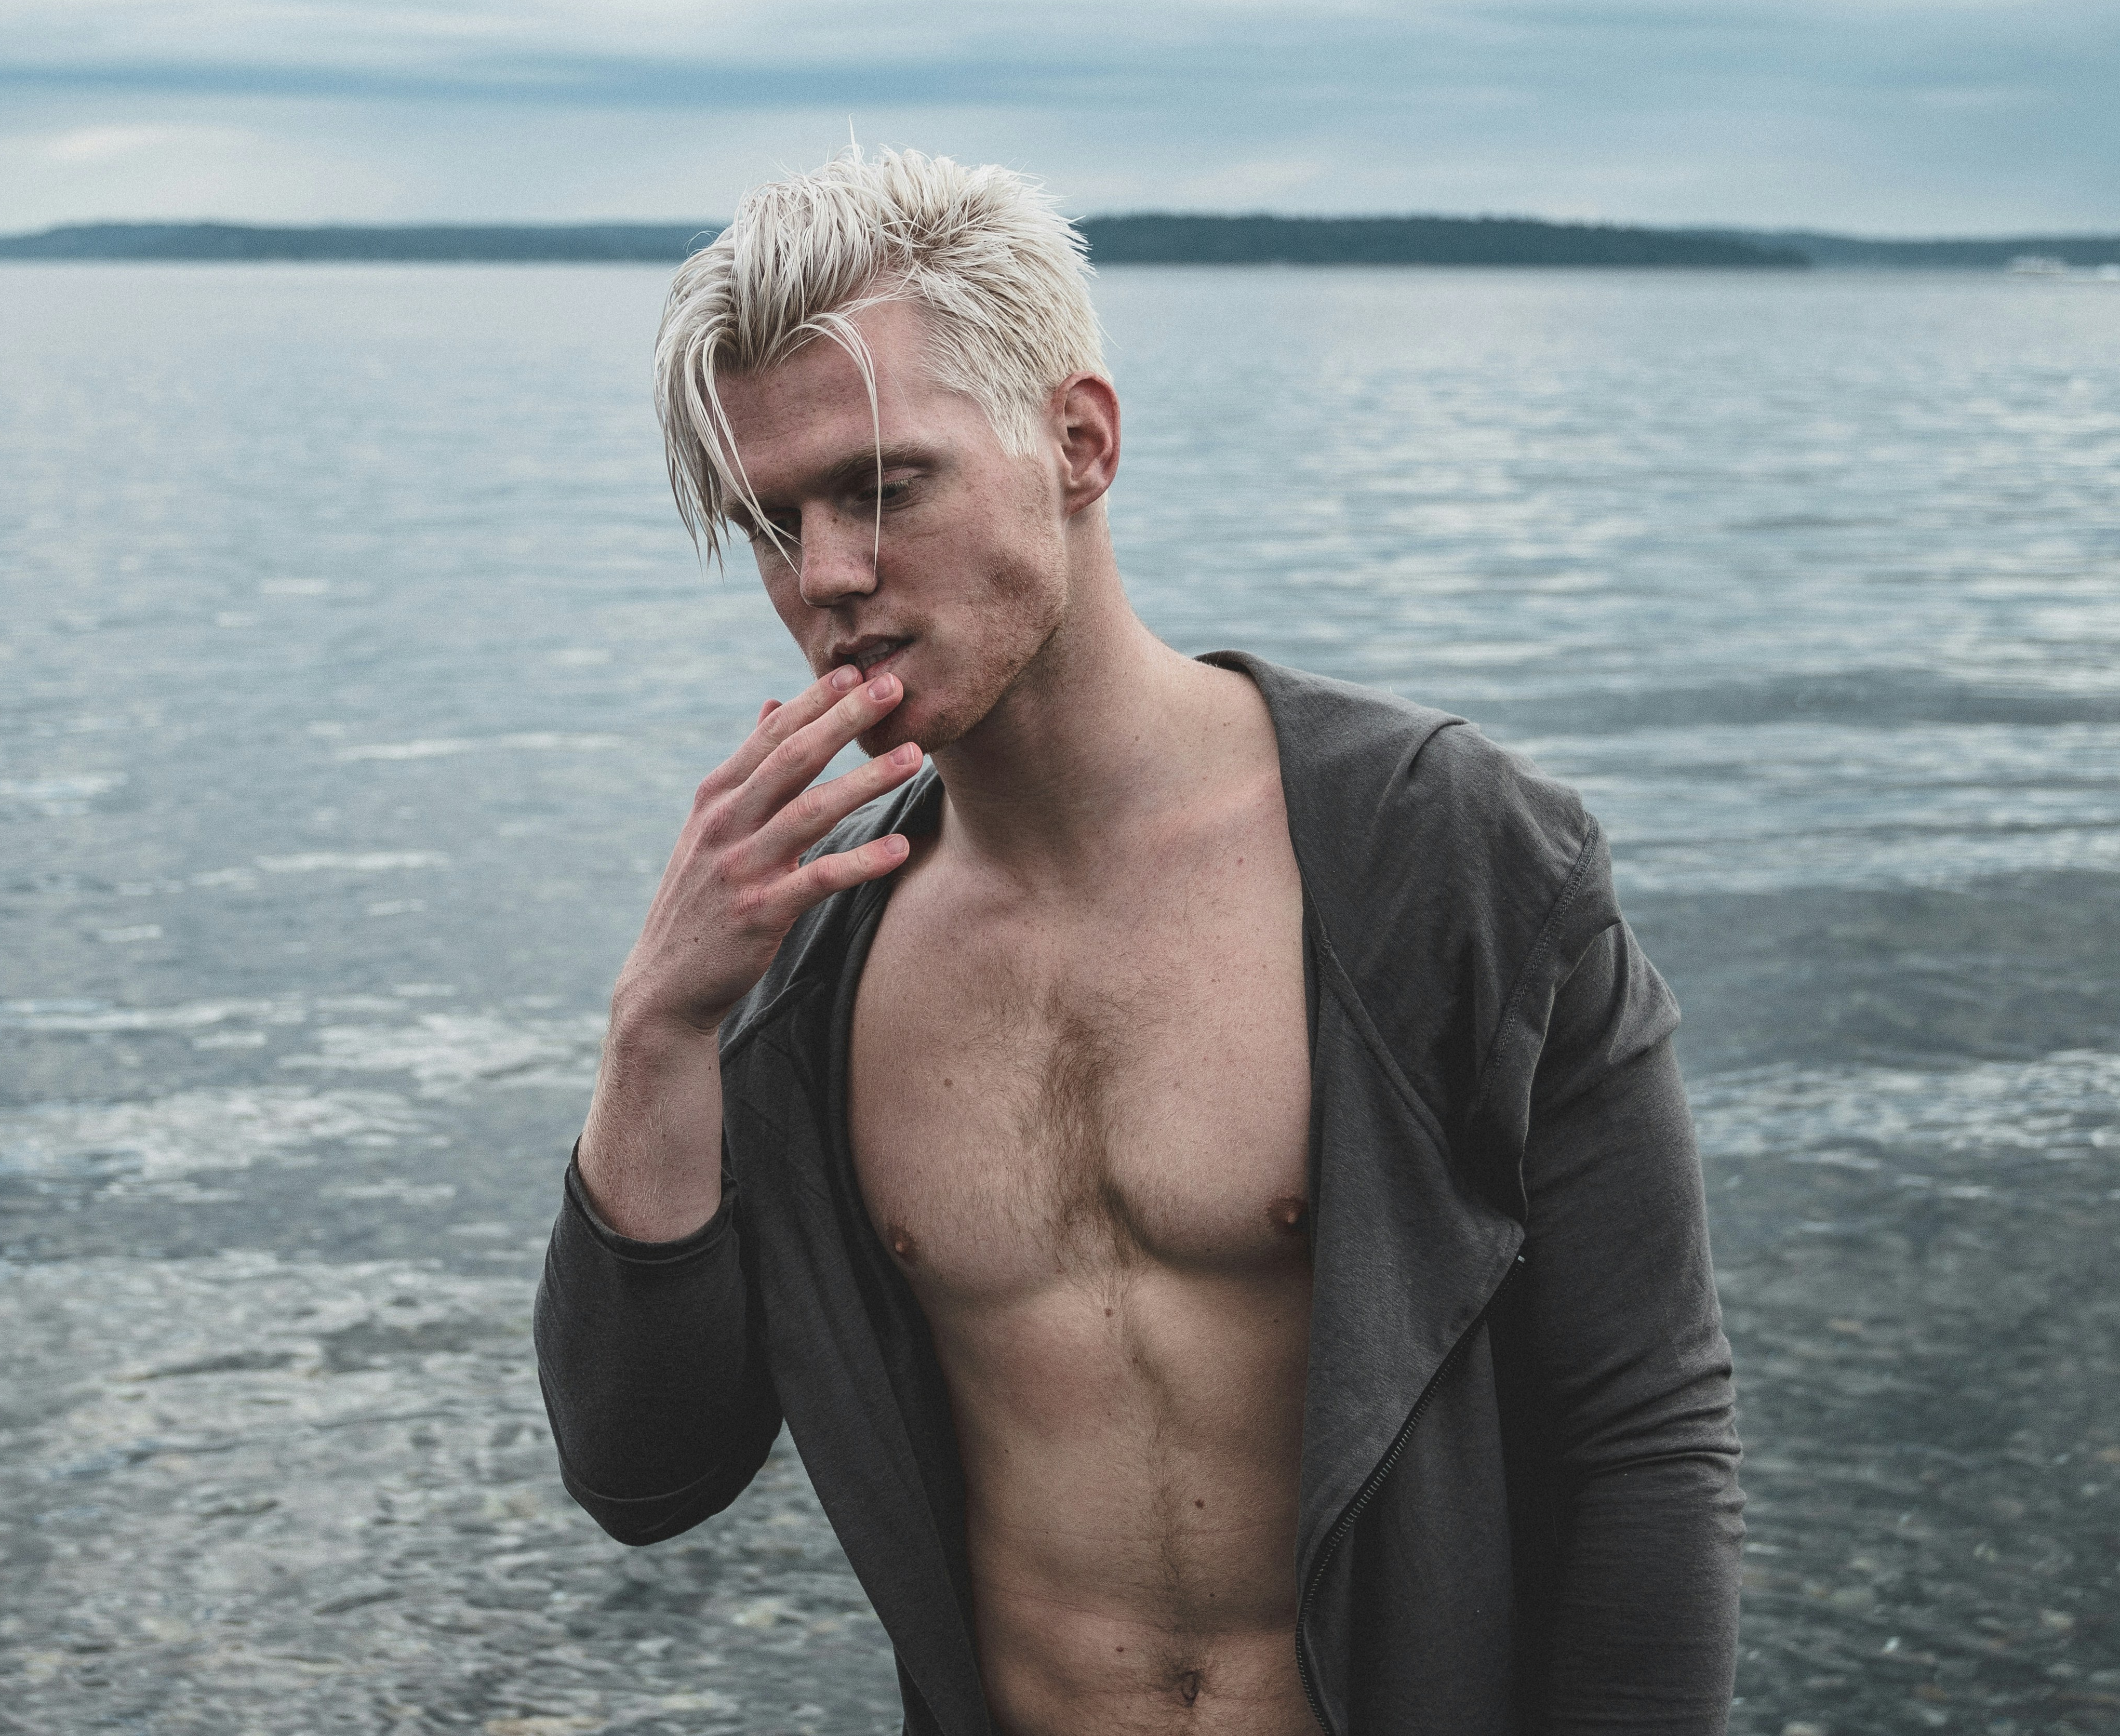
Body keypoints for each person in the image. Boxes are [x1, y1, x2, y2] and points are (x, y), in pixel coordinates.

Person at [533, 149, 1742, 1735]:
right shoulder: (804, 962)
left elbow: (1644, 1437)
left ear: (1078, 441)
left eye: (883, 488)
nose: (823, 575)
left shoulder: (1449, 858)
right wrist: (656, 1034)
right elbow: (643, 1472)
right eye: (772, 523)